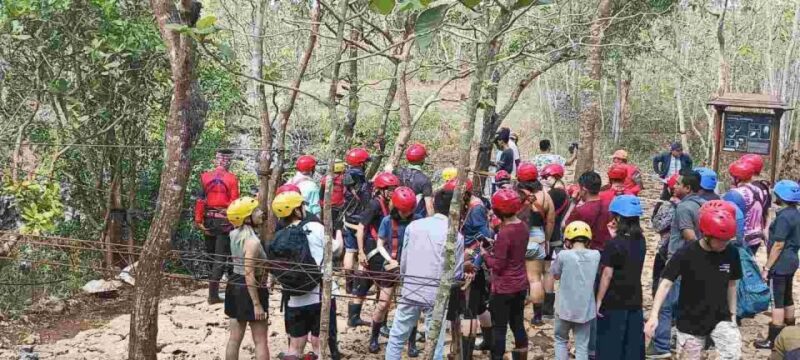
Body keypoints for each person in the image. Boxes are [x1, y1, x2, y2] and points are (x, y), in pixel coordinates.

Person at [645, 207, 742, 360]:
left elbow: (732, 285)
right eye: (720, 240)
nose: (724, 244)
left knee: (732, 354)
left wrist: (733, 316)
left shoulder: (731, 252)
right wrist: (654, 315)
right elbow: (665, 283)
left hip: (721, 318)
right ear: (707, 235)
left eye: (727, 240)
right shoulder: (686, 253)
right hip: (690, 321)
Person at [384, 190, 460, 360]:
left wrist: (405, 281)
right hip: (437, 295)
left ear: (433, 204)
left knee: (397, 336)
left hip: (411, 289)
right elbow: (456, 272)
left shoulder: (415, 226)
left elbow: (403, 260)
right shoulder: (456, 235)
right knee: (435, 341)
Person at [271, 191, 343, 360]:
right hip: (319, 296)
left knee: (295, 346)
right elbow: (337, 250)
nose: (304, 208)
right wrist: (338, 232)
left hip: (293, 297)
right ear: (296, 210)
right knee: (319, 345)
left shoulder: (279, 236)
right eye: (302, 205)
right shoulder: (315, 227)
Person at [648, 170, 706, 358]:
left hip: (678, 262)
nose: (675, 186)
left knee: (665, 305)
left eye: (679, 184)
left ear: (688, 188)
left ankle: (661, 345)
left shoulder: (683, 208)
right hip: (696, 263)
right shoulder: (704, 205)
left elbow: (689, 235)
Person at [368, 187, 422, 355]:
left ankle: (411, 343)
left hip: (411, 267)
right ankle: (374, 337)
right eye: (405, 211)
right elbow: (380, 244)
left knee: (412, 306)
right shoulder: (387, 221)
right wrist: (391, 260)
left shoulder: (418, 220)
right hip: (391, 265)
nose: (408, 213)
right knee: (383, 303)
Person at [445, 178, 494, 356]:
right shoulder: (468, 207)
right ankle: (489, 341)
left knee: (469, 310)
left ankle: (466, 354)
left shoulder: (476, 209)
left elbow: (486, 240)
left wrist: (474, 265)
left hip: (471, 263)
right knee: (479, 306)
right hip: (465, 259)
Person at [595, 195, 645, 360]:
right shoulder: (641, 240)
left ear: (618, 217)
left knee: (611, 345)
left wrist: (599, 300)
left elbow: (607, 275)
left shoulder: (614, 244)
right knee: (632, 347)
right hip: (635, 298)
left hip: (614, 299)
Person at [482, 188, 529, 360]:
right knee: (517, 323)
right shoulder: (523, 227)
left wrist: (485, 255)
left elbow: (498, 265)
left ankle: (497, 357)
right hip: (520, 285)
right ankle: (522, 355)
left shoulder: (505, 232)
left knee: (499, 327)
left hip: (503, 288)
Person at [755, 180, 800, 349]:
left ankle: (774, 340)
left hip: (780, 263)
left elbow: (779, 245)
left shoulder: (784, 217)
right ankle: (790, 334)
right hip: (792, 260)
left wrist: (767, 268)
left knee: (777, 301)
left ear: (780, 196)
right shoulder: (796, 213)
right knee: (788, 296)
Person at [223, 197, 270, 360]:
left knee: (234, 338)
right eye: (255, 211)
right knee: (260, 340)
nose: (260, 213)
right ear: (246, 218)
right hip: (251, 288)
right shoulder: (253, 242)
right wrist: (257, 304)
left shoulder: (233, 234)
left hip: (234, 283)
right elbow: (249, 273)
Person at [350, 172, 399, 327]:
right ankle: (377, 322)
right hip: (373, 249)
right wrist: (361, 252)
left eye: (394, 189)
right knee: (380, 283)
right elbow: (361, 227)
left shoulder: (387, 204)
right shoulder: (375, 204)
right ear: (381, 190)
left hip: (378, 247)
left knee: (368, 281)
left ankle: (357, 317)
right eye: (389, 189)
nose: (392, 192)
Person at [194, 149, 240, 304]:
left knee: (210, 255)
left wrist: (198, 219)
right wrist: (236, 222)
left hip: (208, 220)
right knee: (220, 257)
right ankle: (213, 295)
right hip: (224, 222)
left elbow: (200, 199)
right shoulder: (232, 178)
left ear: (216, 161)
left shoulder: (204, 176)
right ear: (228, 162)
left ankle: (212, 291)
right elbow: (234, 202)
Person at [552, 221, 601, 360]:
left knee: (560, 340)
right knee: (581, 346)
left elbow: (555, 275)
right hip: (585, 310)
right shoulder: (596, 255)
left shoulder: (563, 255)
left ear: (568, 240)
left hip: (564, 308)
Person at [516, 163, 555, 326]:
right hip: (537, 236)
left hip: (518, 236)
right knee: (535, 279)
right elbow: (551, 220)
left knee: (517, 275)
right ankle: (537, 316)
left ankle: (516, 311)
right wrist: (546, 239)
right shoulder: (545, 196)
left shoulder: (514, 194)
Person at [341, 147, 371, 310]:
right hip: (360, 221)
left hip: (348, 219)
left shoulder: (346, 176)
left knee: (350, 251)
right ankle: (358, 287)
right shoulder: (360, 178)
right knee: (361, 253)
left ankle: (349, 284)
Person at [540, 163, 570, 319]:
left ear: (556, 176)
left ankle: (547, 308)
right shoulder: (564, 192)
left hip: (550, 235)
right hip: (558, 235)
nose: (545, 180)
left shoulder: (554, 194)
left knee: (548, 271)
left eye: (547, 177)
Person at [729, 160, 770, 255]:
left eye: (731, 177)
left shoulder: (735, 194)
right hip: (756, 238)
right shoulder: (760, 190)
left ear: (737, 178)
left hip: (742, 239)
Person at [395, 143, 435, 217]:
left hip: (397, 217)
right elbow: (429, 206)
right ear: (422, 159)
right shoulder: (424, 180)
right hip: (415, 219)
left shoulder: (397, 173)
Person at [319, 161, 346, 241]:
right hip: (339, 207)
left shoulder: (325, 179)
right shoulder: (342, 179)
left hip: (326, 206)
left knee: (327, 226)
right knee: (337, 227)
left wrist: (321, 204)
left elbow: (321, 193)